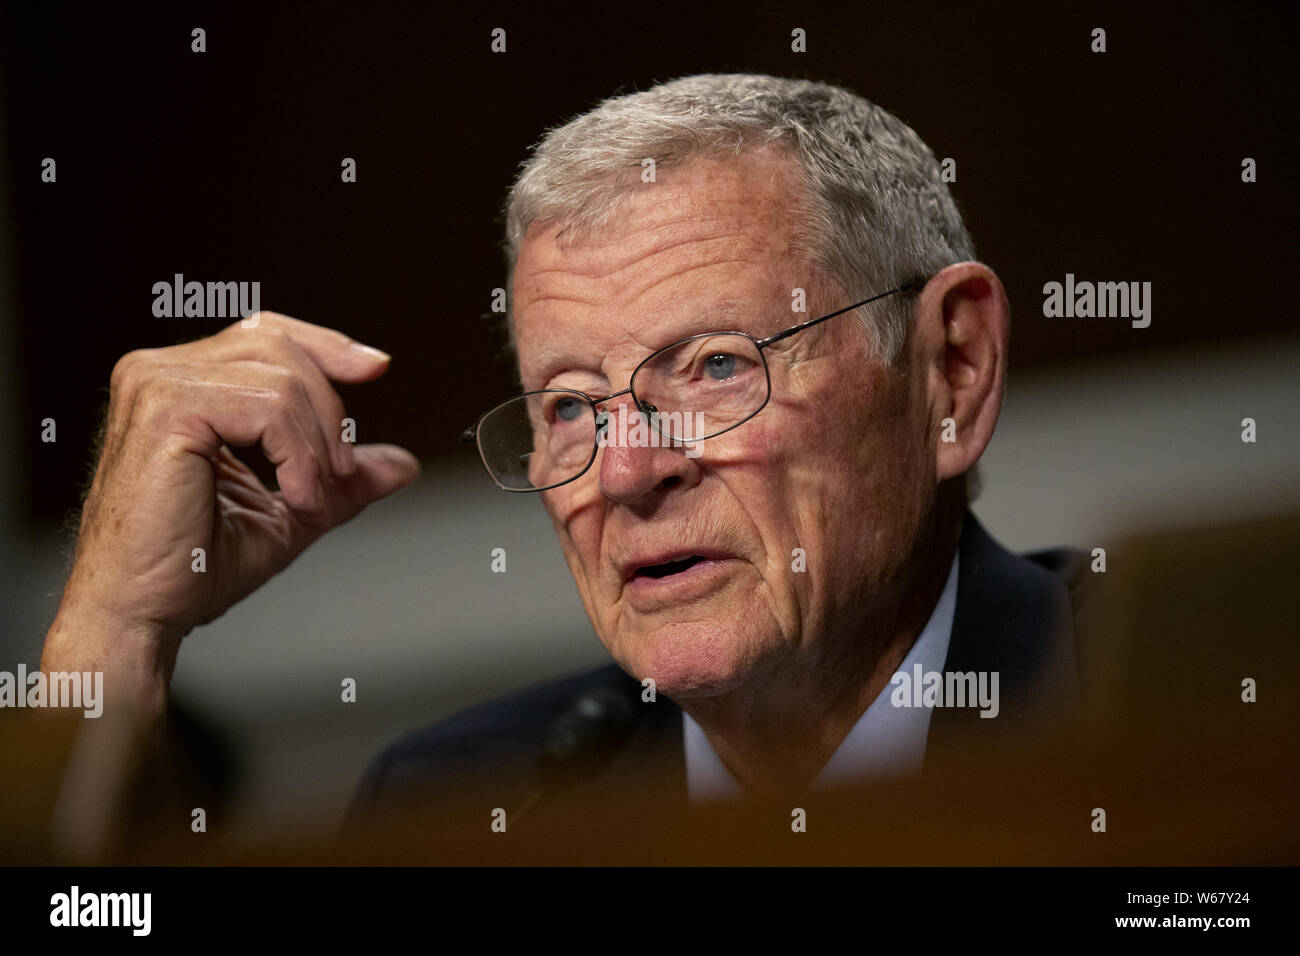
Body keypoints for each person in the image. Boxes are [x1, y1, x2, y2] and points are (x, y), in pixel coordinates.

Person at [41, 74, 1085, 840]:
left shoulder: (1156, 698)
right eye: (571, 405)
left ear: (951, 369)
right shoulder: (460, 802)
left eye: (716, 365)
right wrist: (114, 628)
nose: (626, 474)